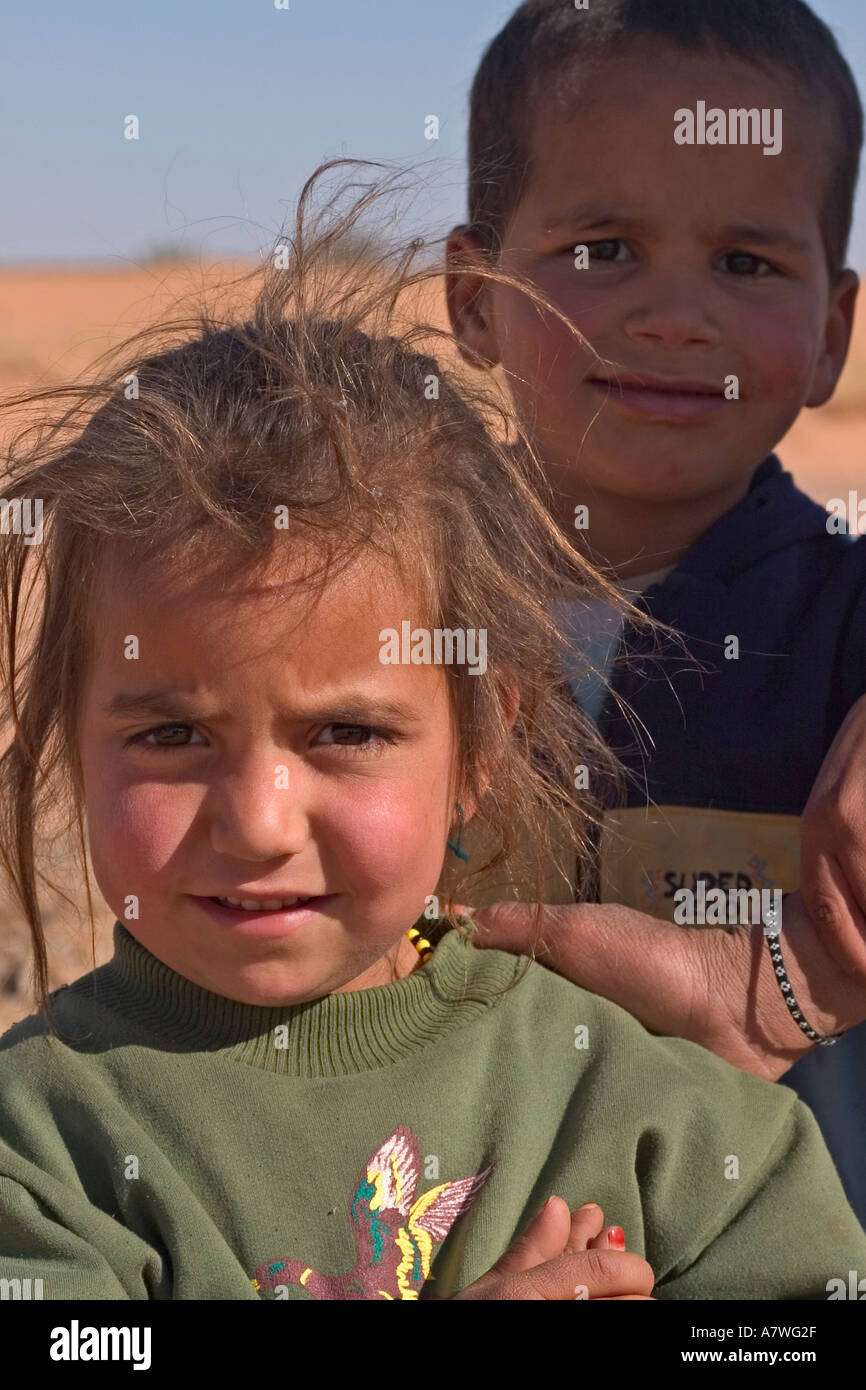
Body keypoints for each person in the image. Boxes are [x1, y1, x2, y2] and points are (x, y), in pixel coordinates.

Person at [1, 170, 863, 1301]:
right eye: (171, 736)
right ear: (70, 730)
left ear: (483, 745)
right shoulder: (46, 1141)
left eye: (345, 732)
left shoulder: (642, 1108)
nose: (257, 822)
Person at [443, 0, 866, 1227]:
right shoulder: (374, 598)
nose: (673, 315)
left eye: (743, 262)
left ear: (833, 332)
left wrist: (782, 985)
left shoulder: (841, 620)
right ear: (473, 296)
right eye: (601, 248)